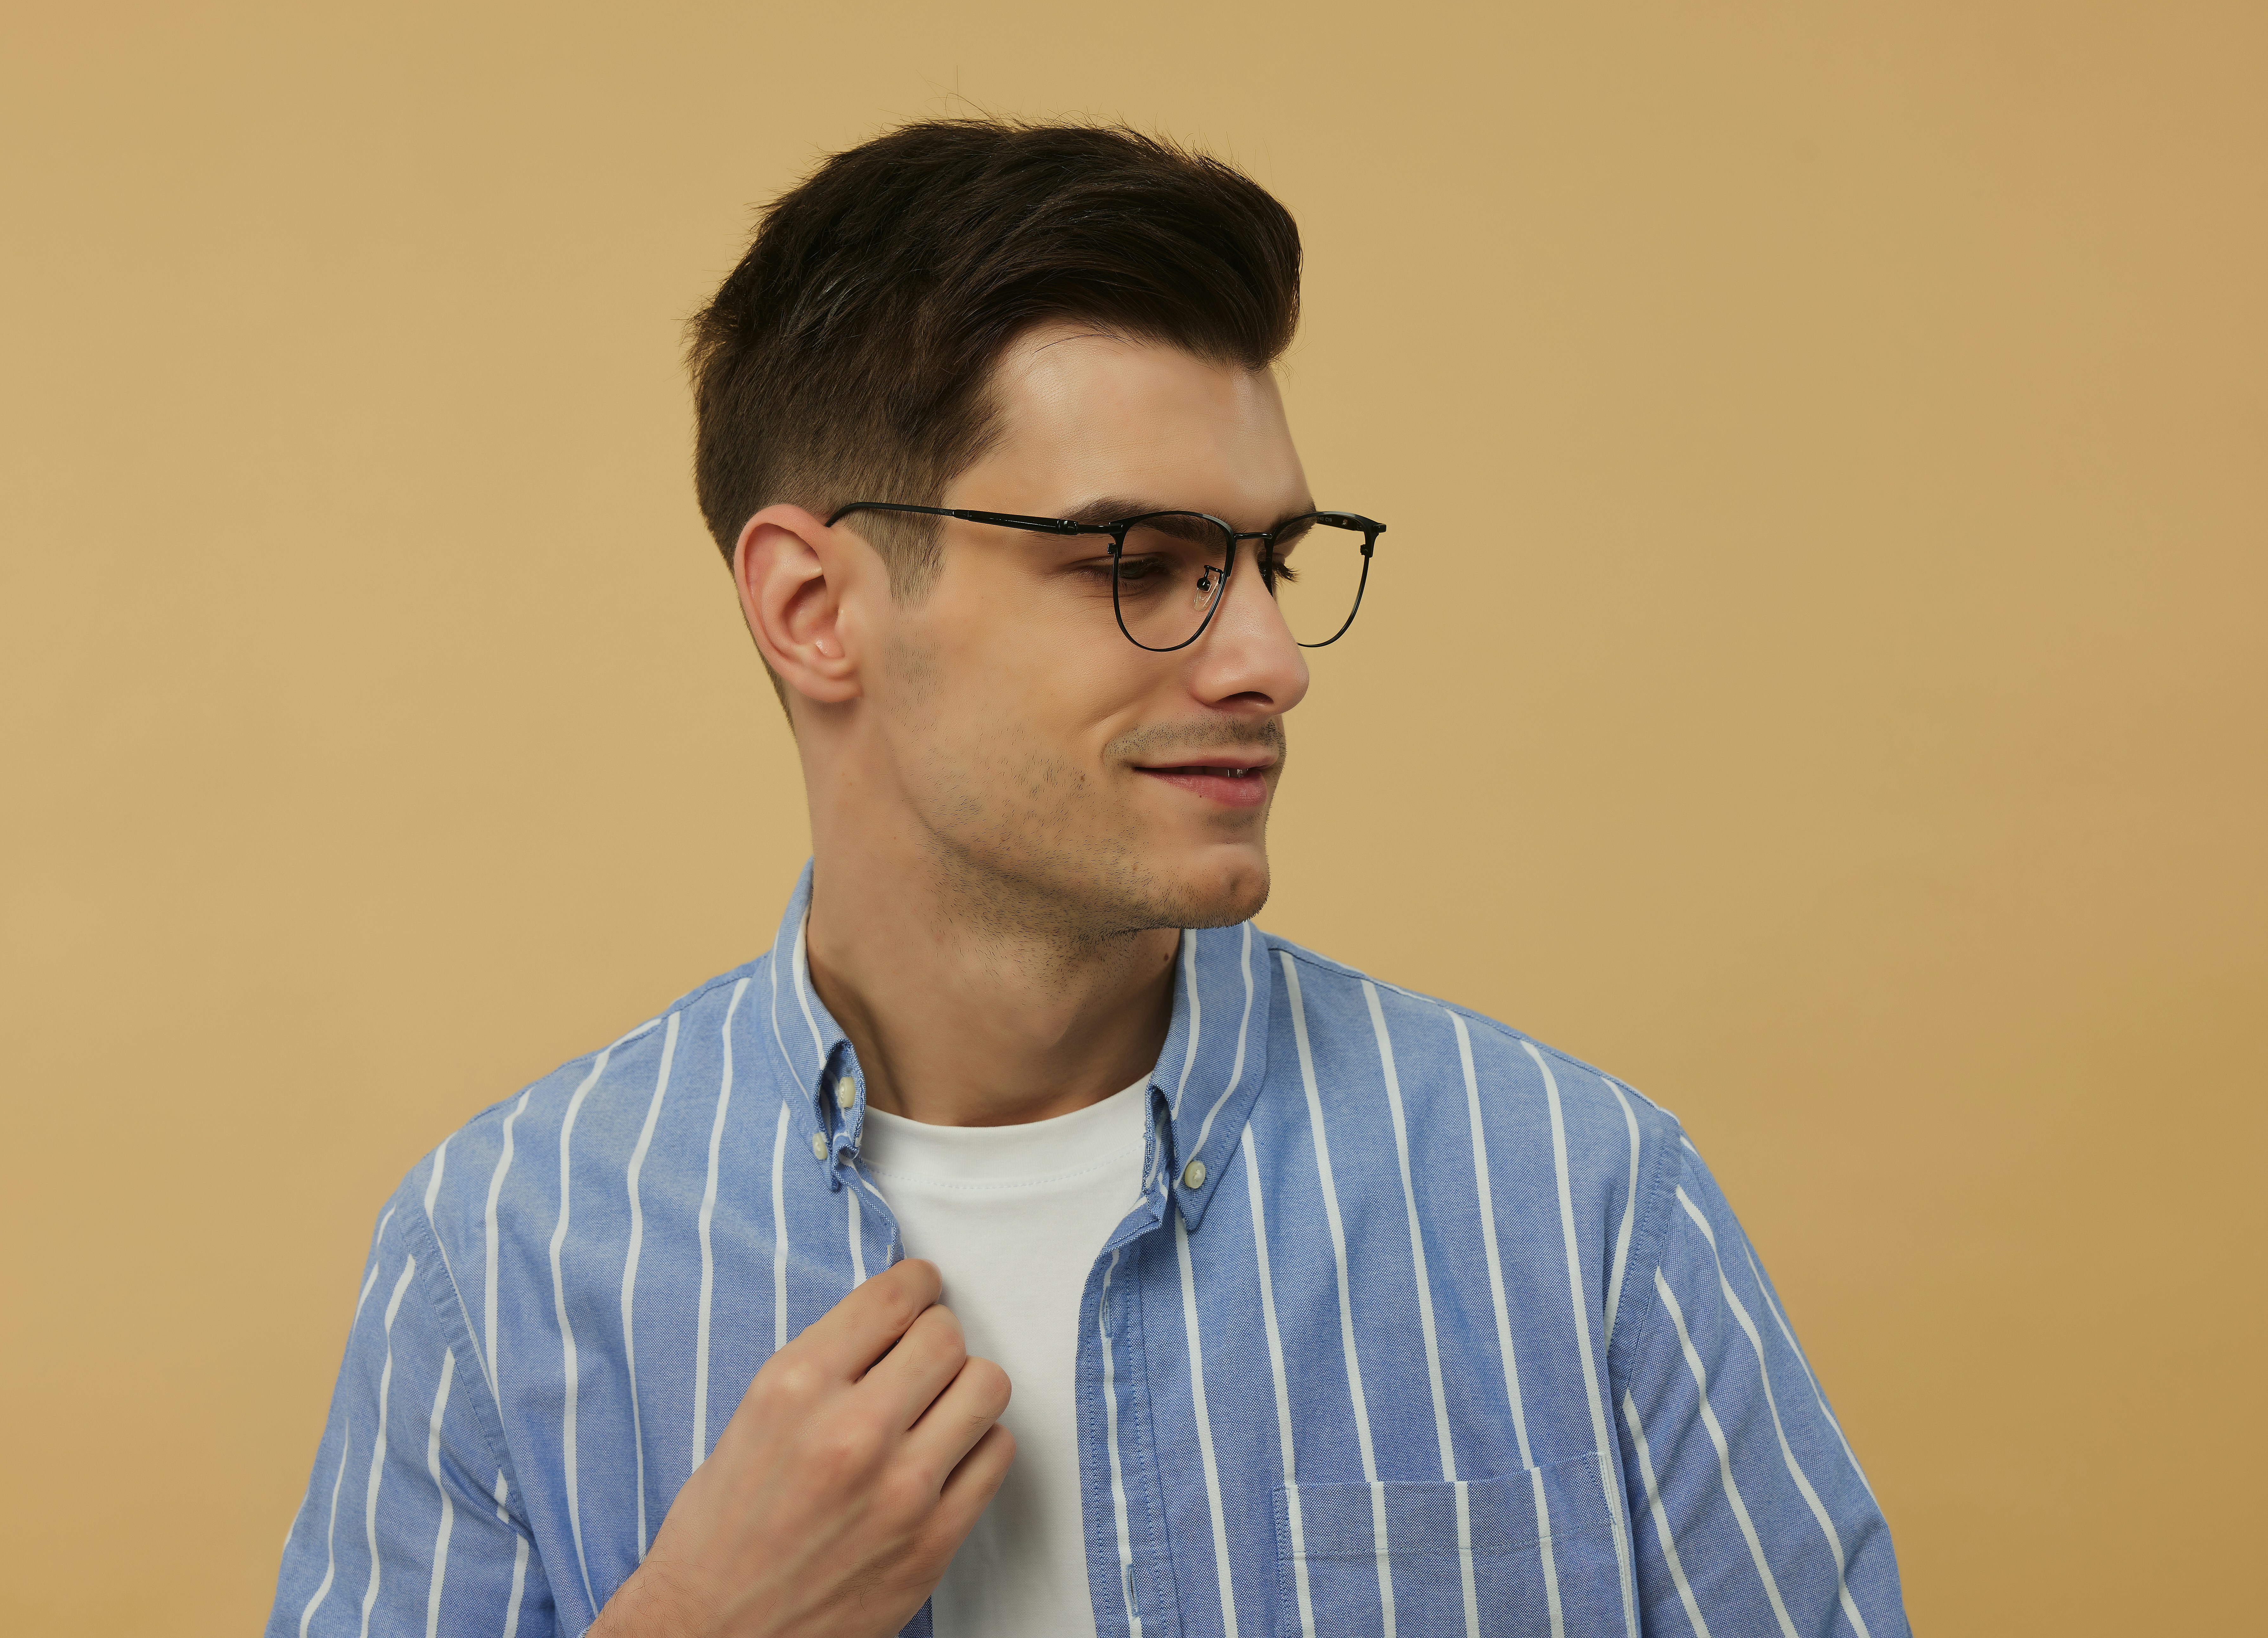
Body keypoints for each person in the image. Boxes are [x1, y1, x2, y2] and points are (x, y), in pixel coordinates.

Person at [267, 119, 1910, 1638]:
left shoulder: (1578, 1200)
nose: (1269, 658)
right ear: (815, 607)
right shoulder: (501, 1259)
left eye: (1272, 559)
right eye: (1144, 564)